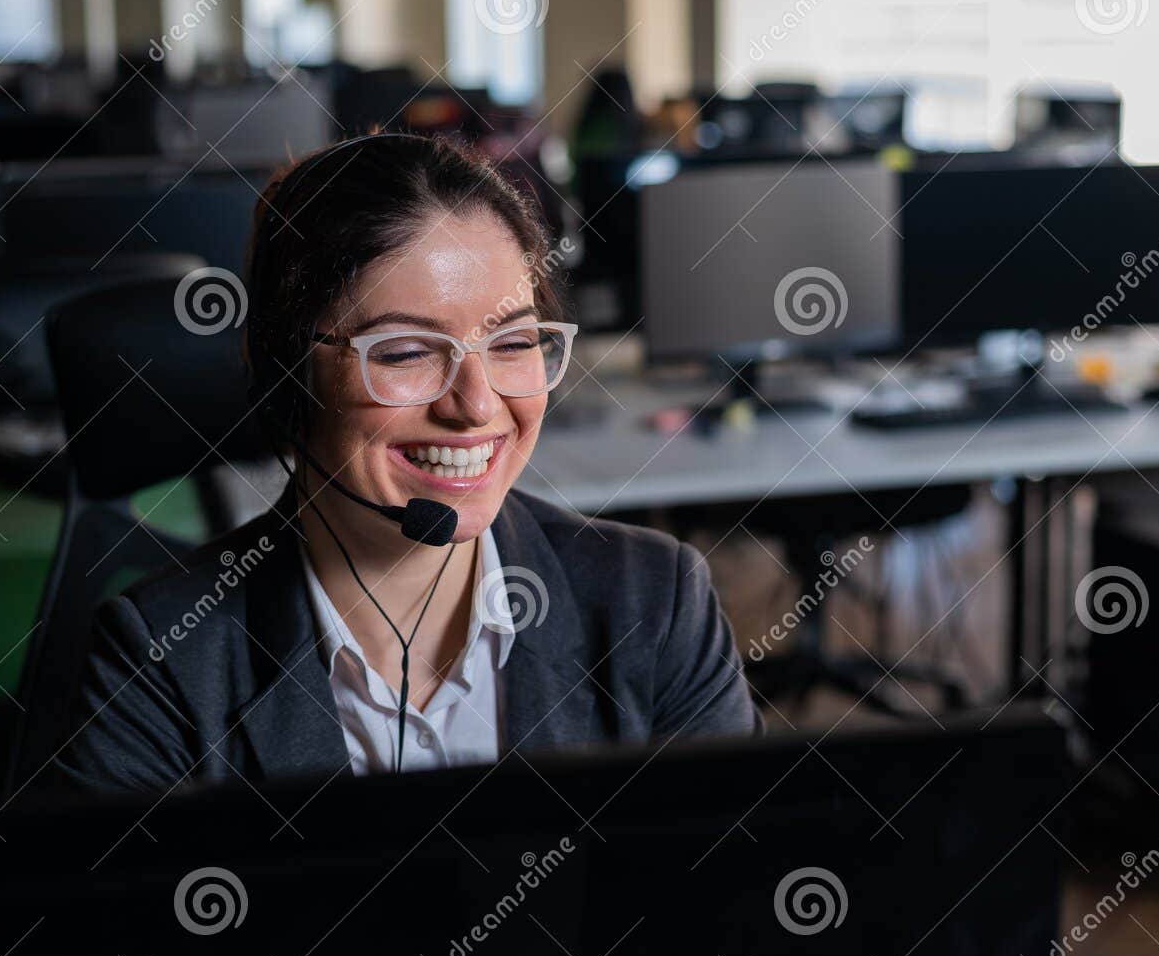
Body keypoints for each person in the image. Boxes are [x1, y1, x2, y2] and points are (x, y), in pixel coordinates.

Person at [56, 133, 758, 792]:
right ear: (285, 375)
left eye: (514, 344)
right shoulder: (160, 660)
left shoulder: (656, 605)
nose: (477, 405)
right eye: (405, 353)